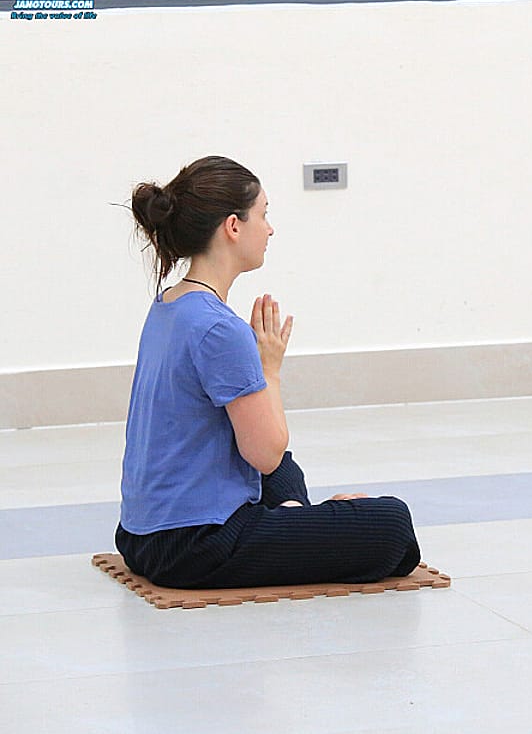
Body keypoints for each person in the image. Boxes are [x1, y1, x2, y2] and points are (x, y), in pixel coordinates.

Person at [116, 156, 421, 589]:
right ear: (233, 226)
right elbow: (265, 453)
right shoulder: (220, 328)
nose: (270, 229)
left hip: (140, 536)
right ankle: (300, 525)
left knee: (282, 473)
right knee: (391, 523)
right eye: (264, 214)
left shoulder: (169, 306)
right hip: (195, 547)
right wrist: (269, 370)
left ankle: (295, 521)